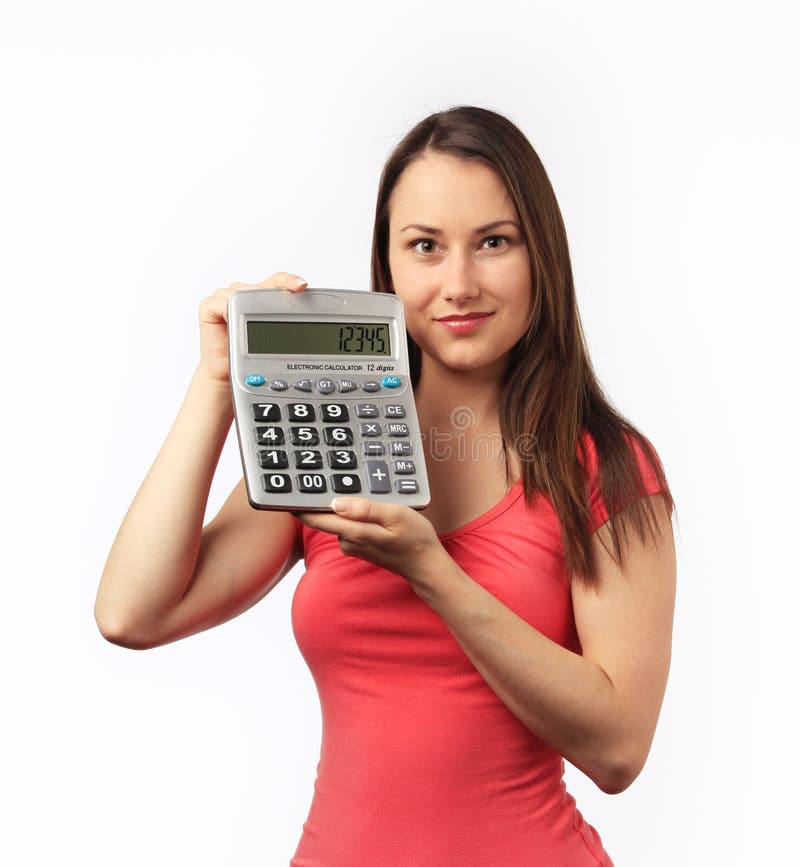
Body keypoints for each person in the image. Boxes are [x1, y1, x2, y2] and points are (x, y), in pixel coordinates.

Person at [95, 105, 676, 866]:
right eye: (425, 246)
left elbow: (619, 750)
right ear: (389, 264)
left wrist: (434, 571)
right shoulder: (334, 443)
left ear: (542, 254)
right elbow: (131, 612)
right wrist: (214, 383)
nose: (459, 283)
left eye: (494, 242)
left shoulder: (603, 465)